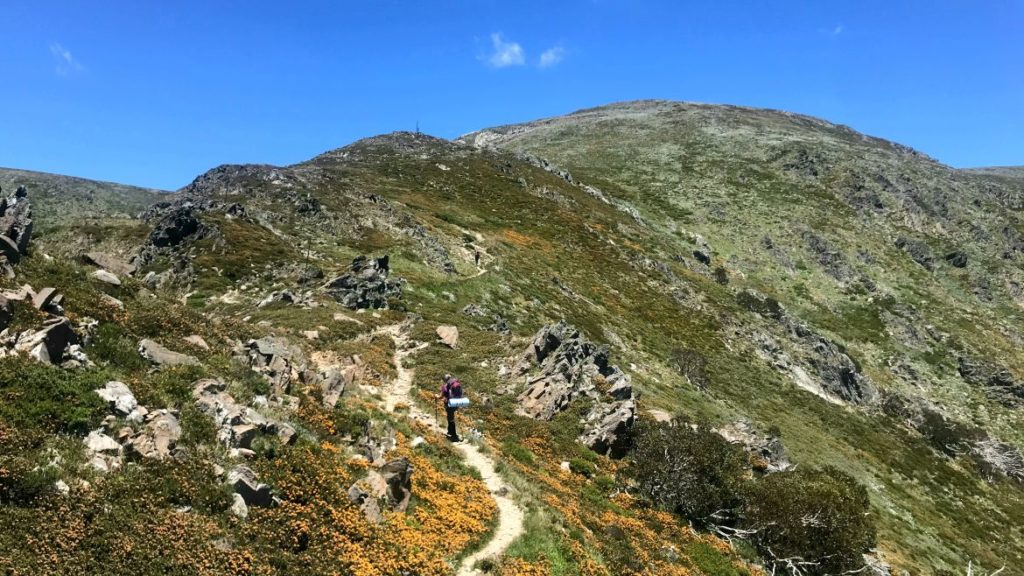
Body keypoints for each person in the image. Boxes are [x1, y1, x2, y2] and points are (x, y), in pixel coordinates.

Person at [439, 373, 462, 442]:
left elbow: (441, 396)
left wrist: (436, 396)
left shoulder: (444, 386)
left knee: (451, 419)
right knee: (450, 417)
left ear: (445, 379)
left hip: (449, 404)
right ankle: (449, 431)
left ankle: (454, 435)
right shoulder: (455, 383)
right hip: (455, 404)